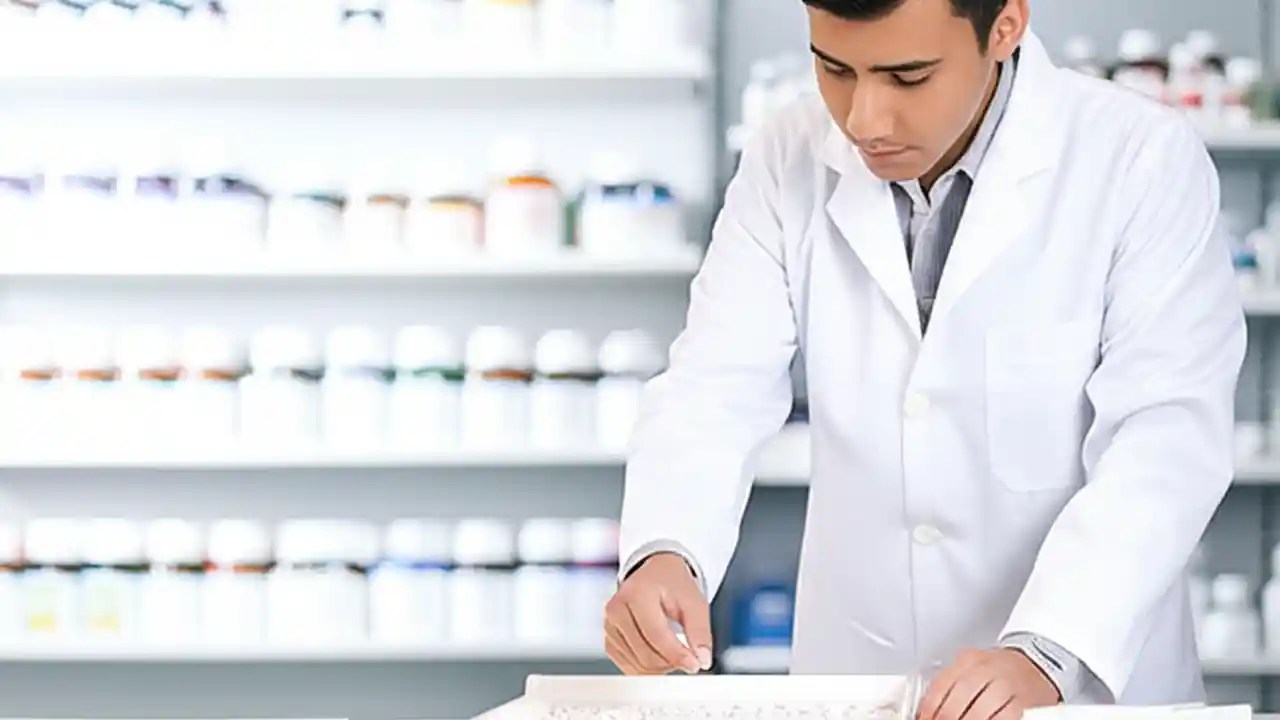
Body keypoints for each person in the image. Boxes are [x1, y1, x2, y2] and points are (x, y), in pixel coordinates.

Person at [605, 0, 1247, 717]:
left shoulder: (1137, 159)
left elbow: (1165, 441)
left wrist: (1050, 648)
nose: (863, 120)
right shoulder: (786, 152)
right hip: (863, 674)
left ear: (1005, 25)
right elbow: (712, 384)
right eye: (834, 68)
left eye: (908, 77)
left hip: (1080, 684)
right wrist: (666, 548)